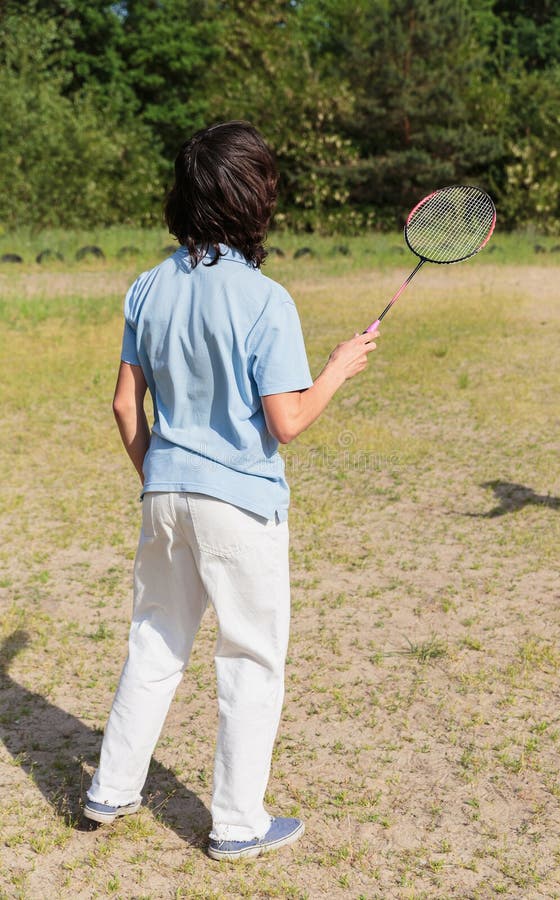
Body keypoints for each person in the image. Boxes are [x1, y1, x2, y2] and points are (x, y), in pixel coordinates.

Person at [83, 121, 378, 861]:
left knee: (155, 640)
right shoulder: (265, 298)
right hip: (240, 506)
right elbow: (288, 420)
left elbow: (125, 406)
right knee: (250, 658)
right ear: (254, 198)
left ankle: (109, 789)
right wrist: (339, 366)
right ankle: (238, 824)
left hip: (165, 494)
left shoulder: (146, 287)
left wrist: (159, 473)